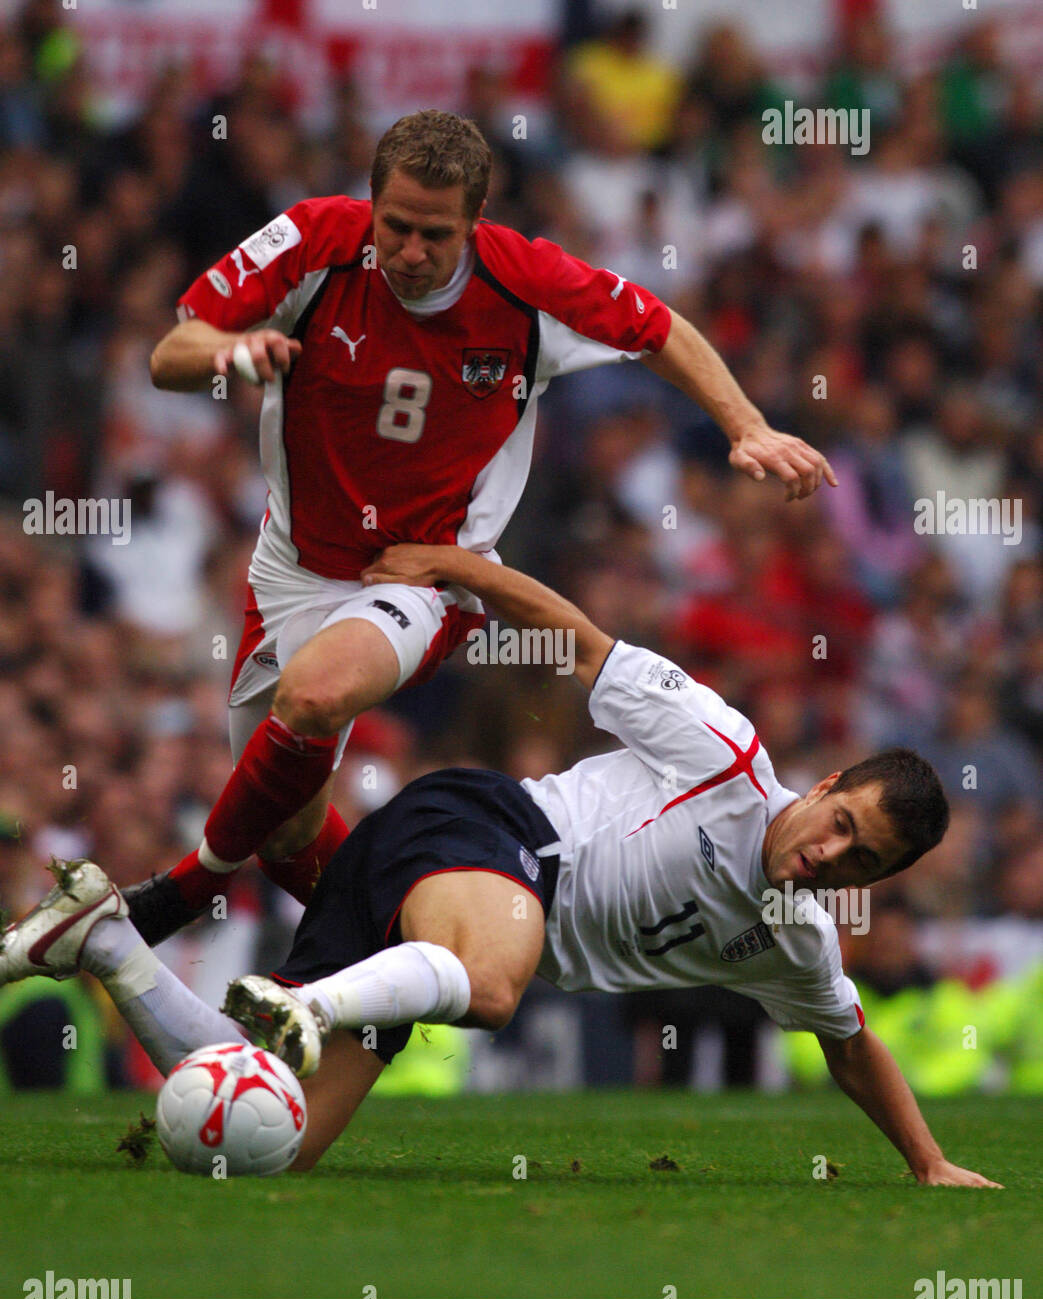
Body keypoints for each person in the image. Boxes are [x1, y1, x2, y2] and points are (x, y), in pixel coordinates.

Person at [0, 544, 999, 1187]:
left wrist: (926, 1162)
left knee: (265, 1140)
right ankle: (311, 1006)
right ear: (824, 783)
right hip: (480, 826)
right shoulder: (723, 749)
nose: (824, 854)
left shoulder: (796, 937)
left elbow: (849, 1041)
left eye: (853, 860)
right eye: (836, 821)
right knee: (489, 990)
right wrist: (457, 562)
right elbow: (579, 640)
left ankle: (107, 940)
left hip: (443, 913)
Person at [126, 107, 835, 943]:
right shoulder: (313, 240)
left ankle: (179, 892)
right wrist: (224, 352)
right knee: (284, 830)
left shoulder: (527, 283)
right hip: (290, 567)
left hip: (425, 574)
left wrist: (744, 425)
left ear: (474, 224)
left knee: (313, 696)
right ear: (370, 204)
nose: (411, 253)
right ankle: (396, 955)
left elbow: (658, 328)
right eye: (395, 227)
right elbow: (169, 352)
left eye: (435, 234)